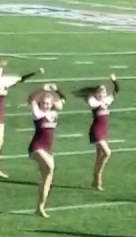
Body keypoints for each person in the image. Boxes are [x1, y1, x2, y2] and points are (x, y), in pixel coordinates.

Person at [72, 75, 121, 191]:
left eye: (104, 91)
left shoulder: (106, 100)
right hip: (96, 130)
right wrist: (93, 96)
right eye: (100, 91)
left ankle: (96, 181)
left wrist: (114, 81)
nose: (103, 93)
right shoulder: (93, 101)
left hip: (104, 130)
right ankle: (97, 176)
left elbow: (117, 91)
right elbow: (91, 101)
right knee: (108, 153)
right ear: (96, 93)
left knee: (100, 156)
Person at [27, 84, 66, 217]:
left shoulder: (54, 113)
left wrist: (56, 90)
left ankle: (40, 207)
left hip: (48, 149)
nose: (46, 105)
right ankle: (40, 206)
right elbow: (31, 98)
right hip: (36, 147)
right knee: (50, 167)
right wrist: (42, 89)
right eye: (44, 103)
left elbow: (63, 100)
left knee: (47, 179)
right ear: (40, 103)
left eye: (48, 103)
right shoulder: (37, 113)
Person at [0, 63, 43, 179]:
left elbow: (20, 79)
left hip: (0, 117)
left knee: (0, 143)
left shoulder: (4, 80)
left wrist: (35, 73)